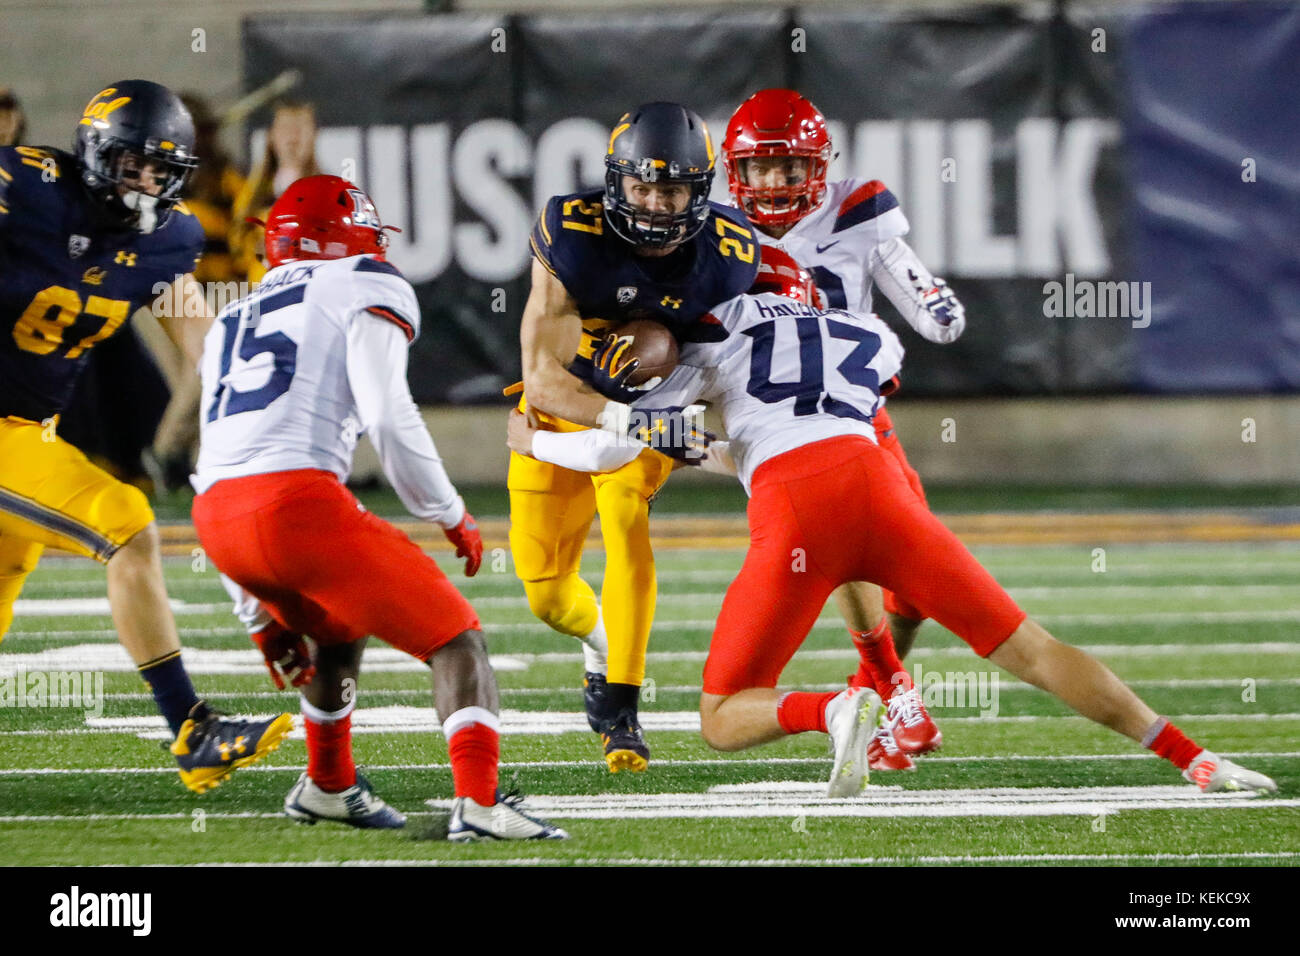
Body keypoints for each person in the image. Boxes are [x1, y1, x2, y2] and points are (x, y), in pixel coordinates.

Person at [516, 246, 1277, 797]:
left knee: (722, 714)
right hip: (880, 489)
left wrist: (541, 436)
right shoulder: (868, 336)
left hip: (795, 505)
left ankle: (838, 707)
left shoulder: (714, 331)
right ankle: (1196, 759)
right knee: (1034, 649)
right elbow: (786, 427)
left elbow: (628, 440)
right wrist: (719, 447)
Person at [192, 174, 566, 840]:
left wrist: (258, 618)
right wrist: (448, 512)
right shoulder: (363, 281)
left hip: (217, 518)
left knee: (337, 629)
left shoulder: (230, 316)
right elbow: (389, 417)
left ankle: (328, 785)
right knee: (457, 639)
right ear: (355, 240)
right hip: (293, 506)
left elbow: (217, 462)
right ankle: (479, 806)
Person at [0, 79, 291, 792]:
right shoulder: (25, 188)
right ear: (97, 154)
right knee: (126, 522)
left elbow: (205, 347)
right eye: (134, 166)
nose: (147, 183)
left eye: (163, 171)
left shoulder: (170, 240)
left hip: (31, 434)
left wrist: (261, 411)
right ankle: (191, 727)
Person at [512, 101, 759, 772]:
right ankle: (597, 645)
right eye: (641, 186)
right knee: (546, 592)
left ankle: (621, 709)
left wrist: (708, 437)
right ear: (614, 182)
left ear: (700, 190)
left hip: (655, 397)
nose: (653, 204)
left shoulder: (729, 257)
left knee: (627, 518)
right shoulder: (572, 232)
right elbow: (542, 381)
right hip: (570, 408)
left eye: (672, 188)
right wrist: (635, 422)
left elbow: (730, 367)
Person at [721, 88, 963, 769]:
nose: (773, 183)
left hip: (855, 409)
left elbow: (931, 305)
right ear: (733, 171)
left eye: (788, 168)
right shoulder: (711, 232)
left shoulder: (859, 211)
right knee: (846, 551)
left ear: (818, 166)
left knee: (914, 585)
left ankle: (879, 689)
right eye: (759, 169)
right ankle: (891, 689)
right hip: (778, 421)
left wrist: (927, 295)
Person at [229, 99, 321, 282]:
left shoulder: (327, 194)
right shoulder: (249, 193)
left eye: (301, 128)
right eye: (286, 128)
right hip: (261, 292)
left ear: (314, 135)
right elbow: (237, 247)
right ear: (271, 135)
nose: (294, 138)